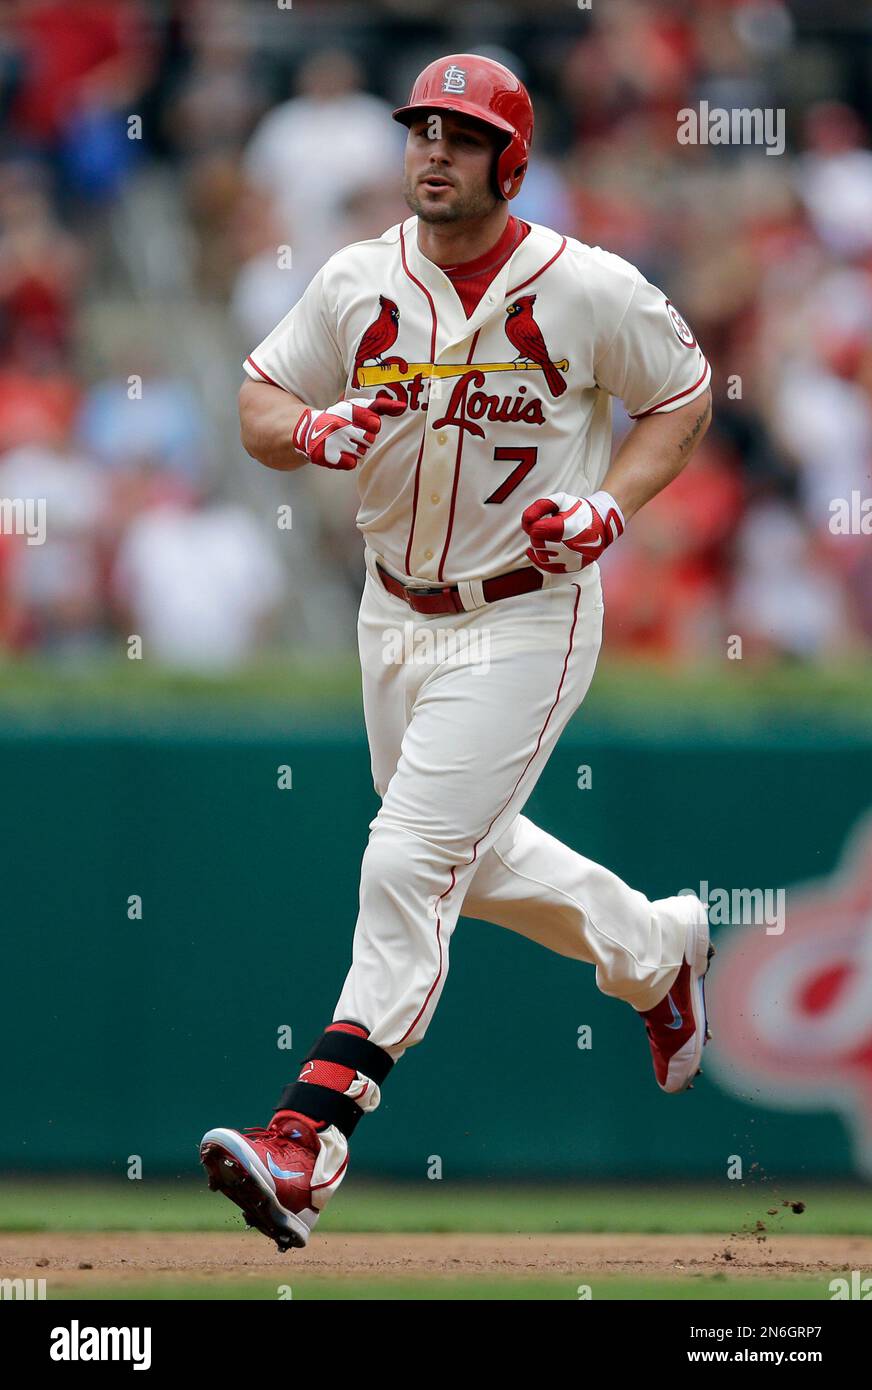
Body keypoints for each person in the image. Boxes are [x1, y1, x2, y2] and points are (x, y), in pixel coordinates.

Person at [201, 54, 715, 1251]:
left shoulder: (584, 286)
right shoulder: (353, 277)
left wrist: (611, 508)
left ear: (511, 160)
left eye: (461, 134)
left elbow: (682, 397)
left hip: (527, 610)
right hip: (392, 613)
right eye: (421, 129)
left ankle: (306, 1138)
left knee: (405, 860)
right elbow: (257, 403)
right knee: (464, 867)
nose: (433, 150)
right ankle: (652, 947)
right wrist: (316, 430)